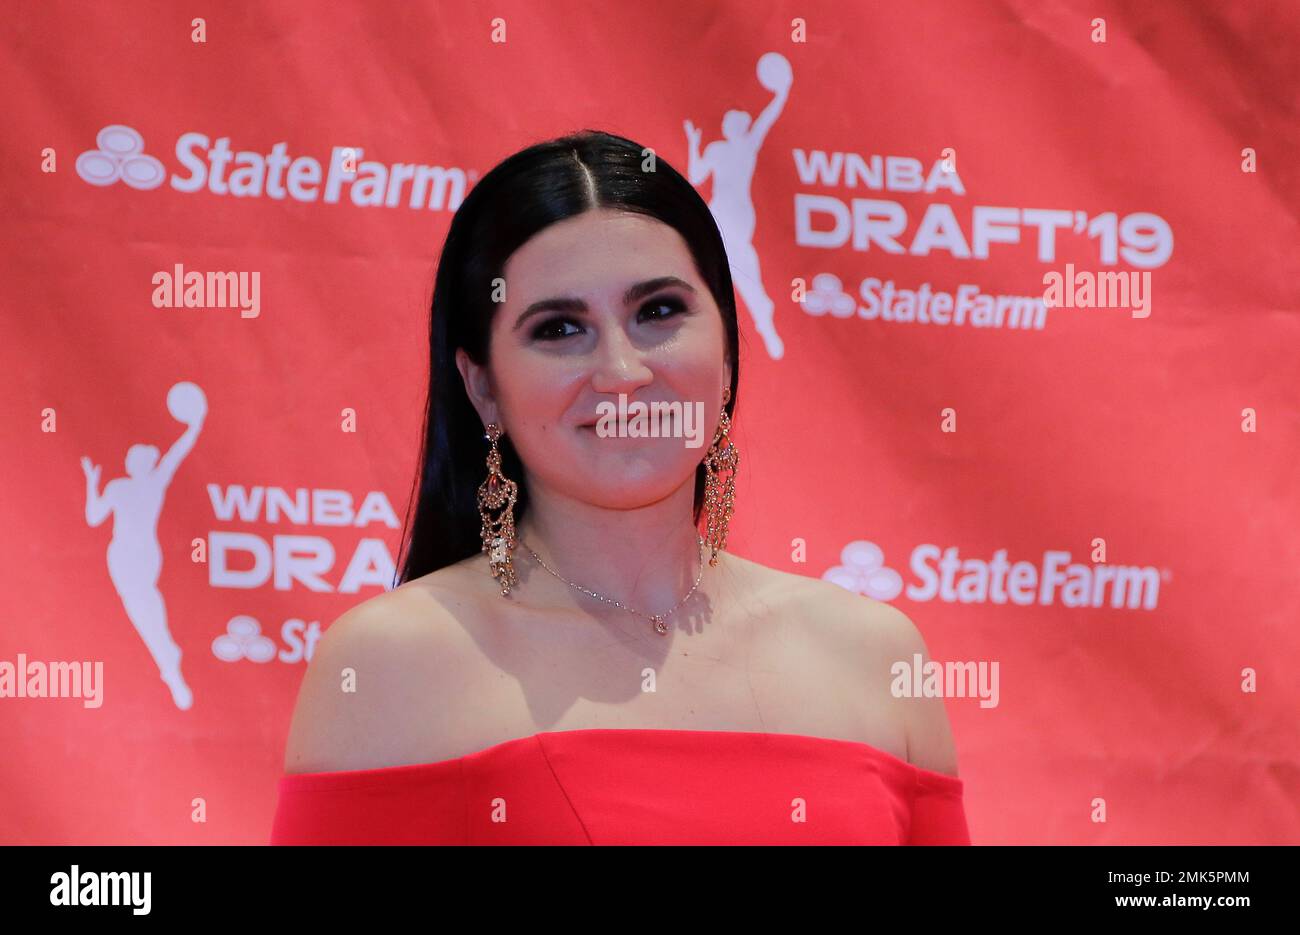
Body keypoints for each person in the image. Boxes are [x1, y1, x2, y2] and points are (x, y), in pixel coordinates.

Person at [270, 129, 970, 845]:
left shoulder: (873, 655)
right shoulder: (391, 661)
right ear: (484, 388)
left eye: (659, 311)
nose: (622, 371)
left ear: (726, 348)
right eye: (560, 328)